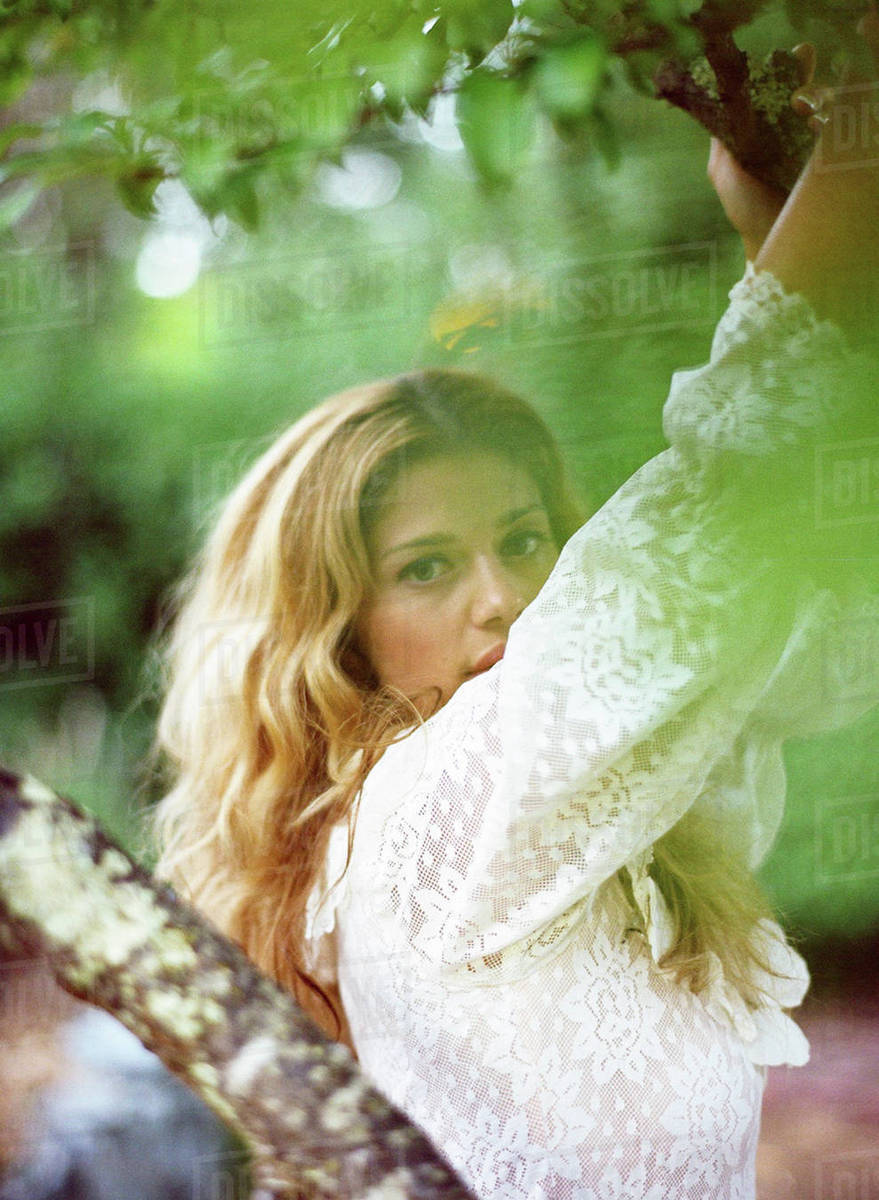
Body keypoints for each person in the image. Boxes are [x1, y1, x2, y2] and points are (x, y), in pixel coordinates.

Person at [151, 19, 879, 1200]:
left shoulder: (626, 810)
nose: (504, 596)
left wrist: (782, 236)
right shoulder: (409, 836)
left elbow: (820, 623)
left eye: (529, 541)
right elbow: (687, 544)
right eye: (427, 568)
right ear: (331, 630)